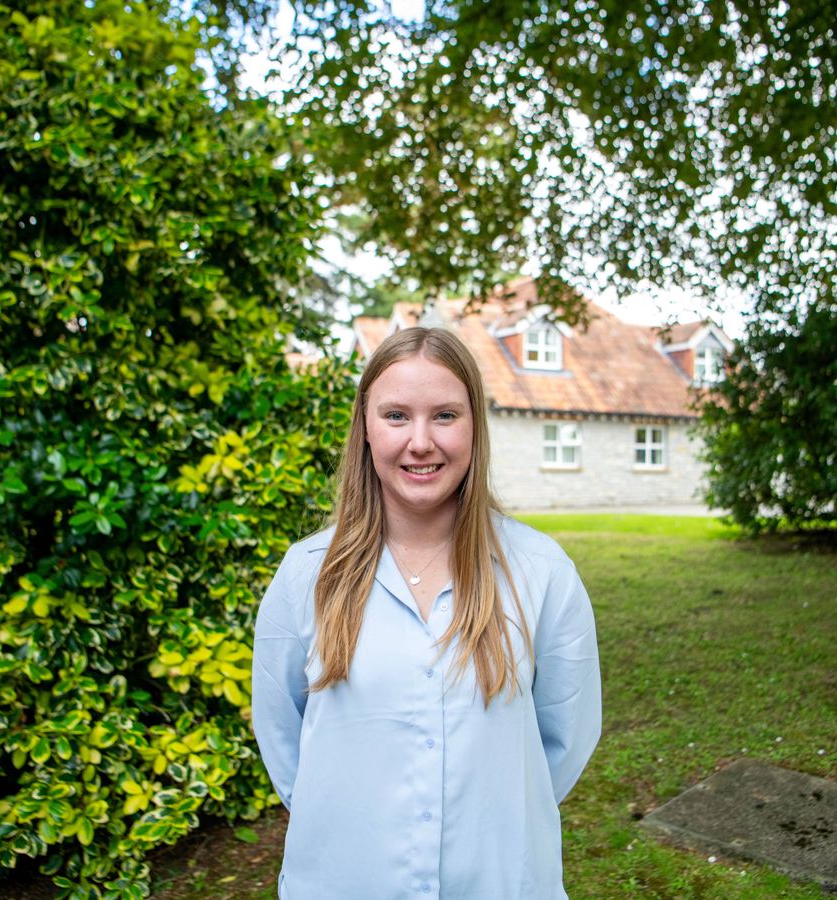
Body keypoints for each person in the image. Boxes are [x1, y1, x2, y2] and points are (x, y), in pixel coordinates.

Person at [251, 326, 602, 899]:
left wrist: (486, 821)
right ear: (365, 428)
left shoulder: (542, 571)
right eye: (395, 416)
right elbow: (283, 738)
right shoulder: (306, 574)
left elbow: (563, 739)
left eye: (444, 415)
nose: (420, 442)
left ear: (474, 428)